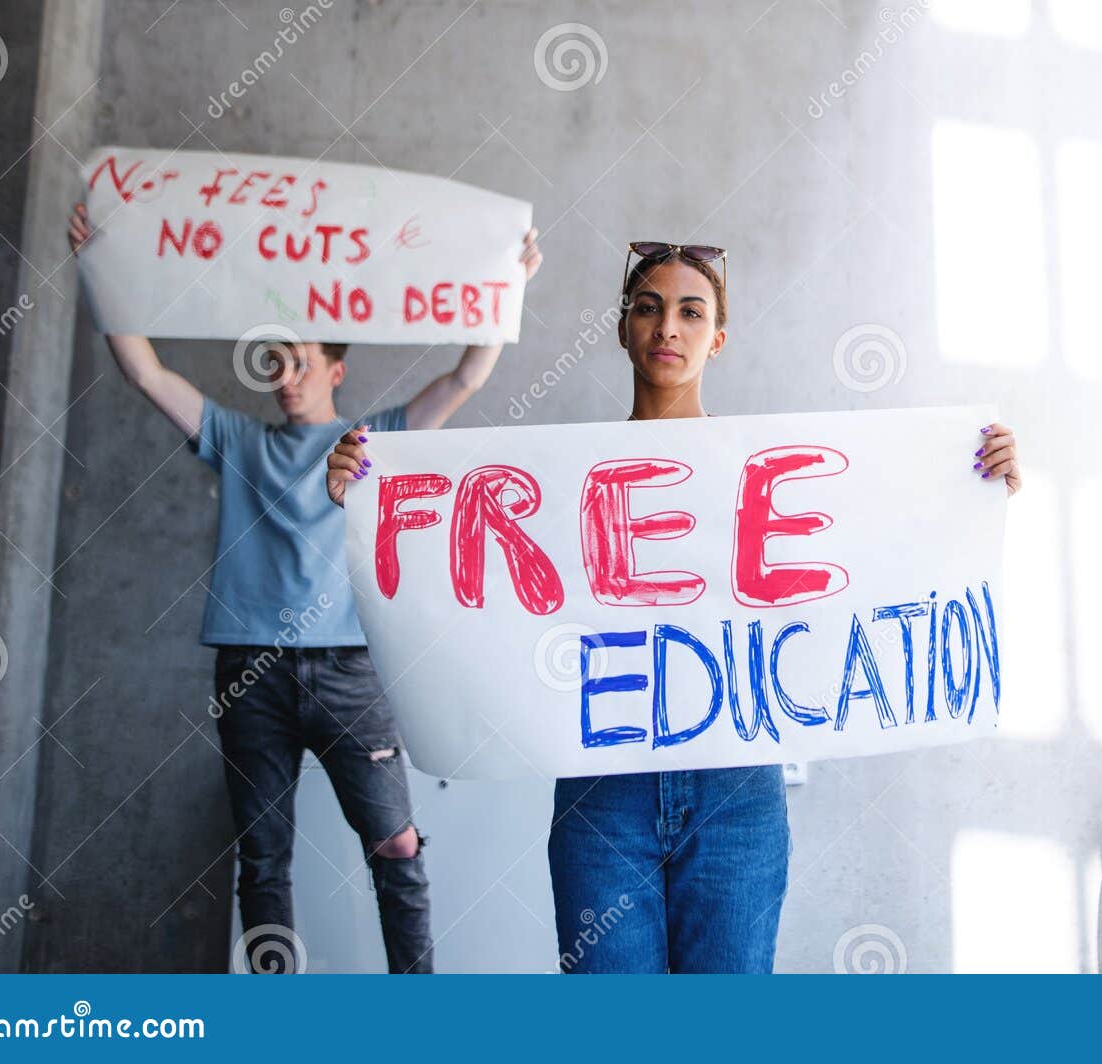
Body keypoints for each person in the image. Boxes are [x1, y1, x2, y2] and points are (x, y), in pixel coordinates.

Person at [325, 241, 1019, 973]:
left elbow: (881, 543)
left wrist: (969, 483)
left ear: (715, 339)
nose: (668, 329)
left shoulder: (767, 466)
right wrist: (364, 489)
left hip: (737, 798)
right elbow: (472, 585)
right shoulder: (558, 480)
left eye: (691, 313)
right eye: (649, 309)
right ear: (623, 328)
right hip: (604, 798)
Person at [67, 201, 543, 973]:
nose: (285, 377)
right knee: (262, 860)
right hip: (250, 672)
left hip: (349, 671)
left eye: (299, 360)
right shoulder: (238, 441)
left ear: (334, 369)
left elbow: (466, 375)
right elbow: (145, 370)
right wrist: (101, 266)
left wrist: (506, 287)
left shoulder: (374, 440)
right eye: (274, 362)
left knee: (395, 843)